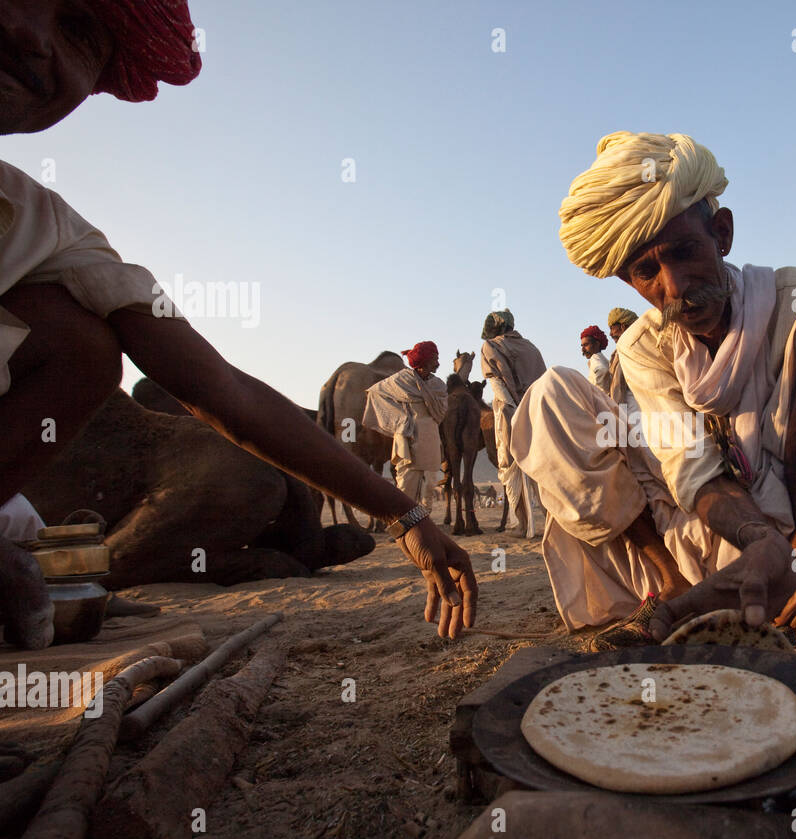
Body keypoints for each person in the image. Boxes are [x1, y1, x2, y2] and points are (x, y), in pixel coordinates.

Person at [0, 0, 476, 646]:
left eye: (79, 30)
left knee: (83, 347)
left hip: (403, 464)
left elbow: (222, 389)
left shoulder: (37, 230)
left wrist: (406, 513)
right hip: (396, 448)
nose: (28, 31)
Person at [512, 131, 796, 654]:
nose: (677, 285)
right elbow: (693, 471)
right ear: (629, 283)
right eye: (647, 273)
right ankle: (672, 586)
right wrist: (758, 541)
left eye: (685, 252)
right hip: (720, 544)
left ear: (722, 233)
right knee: (552, 395)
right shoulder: (644, 344)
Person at [479, 309, 547, 538]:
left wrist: (514, 411)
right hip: (537, 411)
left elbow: (496, 383)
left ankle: (521, 525)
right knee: (540, 466)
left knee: (510, 465)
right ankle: (550, 522)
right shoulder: (531, 348)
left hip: (510, 411)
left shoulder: (491, 346)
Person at [363, 341, 448, 512]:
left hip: (431, 437)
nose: (438, 363)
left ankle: (424, 524)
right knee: (407, 485)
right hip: (410, 437)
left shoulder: (438, 385)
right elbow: (375, 393)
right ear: (424, 361)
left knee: (430, 486)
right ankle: (405, 528)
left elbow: (441, 410)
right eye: (434, 358)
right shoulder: (402, 380)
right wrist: (400, 418)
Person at [606, 307, 638, 406]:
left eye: (612, 328)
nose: (610, 333)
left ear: (623, 327)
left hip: (633, 410)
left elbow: (618, 387)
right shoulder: (618, 353)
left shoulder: (629, 349)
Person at [580, 325, 611, 393]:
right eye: (582, 346)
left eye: (586, 345)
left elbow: (602, 369)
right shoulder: (605, 361)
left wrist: (599, 394)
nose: (583, 349)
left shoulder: (595, 358)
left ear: (597, 344)